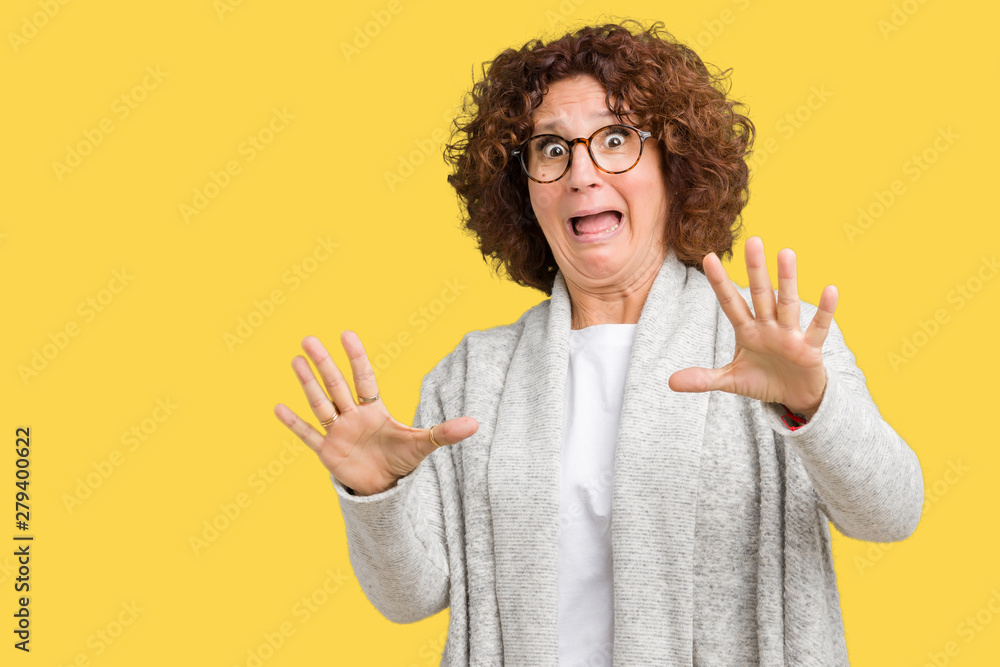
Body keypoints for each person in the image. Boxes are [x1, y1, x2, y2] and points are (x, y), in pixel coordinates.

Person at [273, 20, 923, 666]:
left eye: (616, 139)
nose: (582, 171)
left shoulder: (775, 341)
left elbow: (892, 513)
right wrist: (374, 497)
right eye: (552, 148)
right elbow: (411, 596)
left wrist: (814, 406)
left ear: (675, 162)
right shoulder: (476, 372)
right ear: (524, 187)